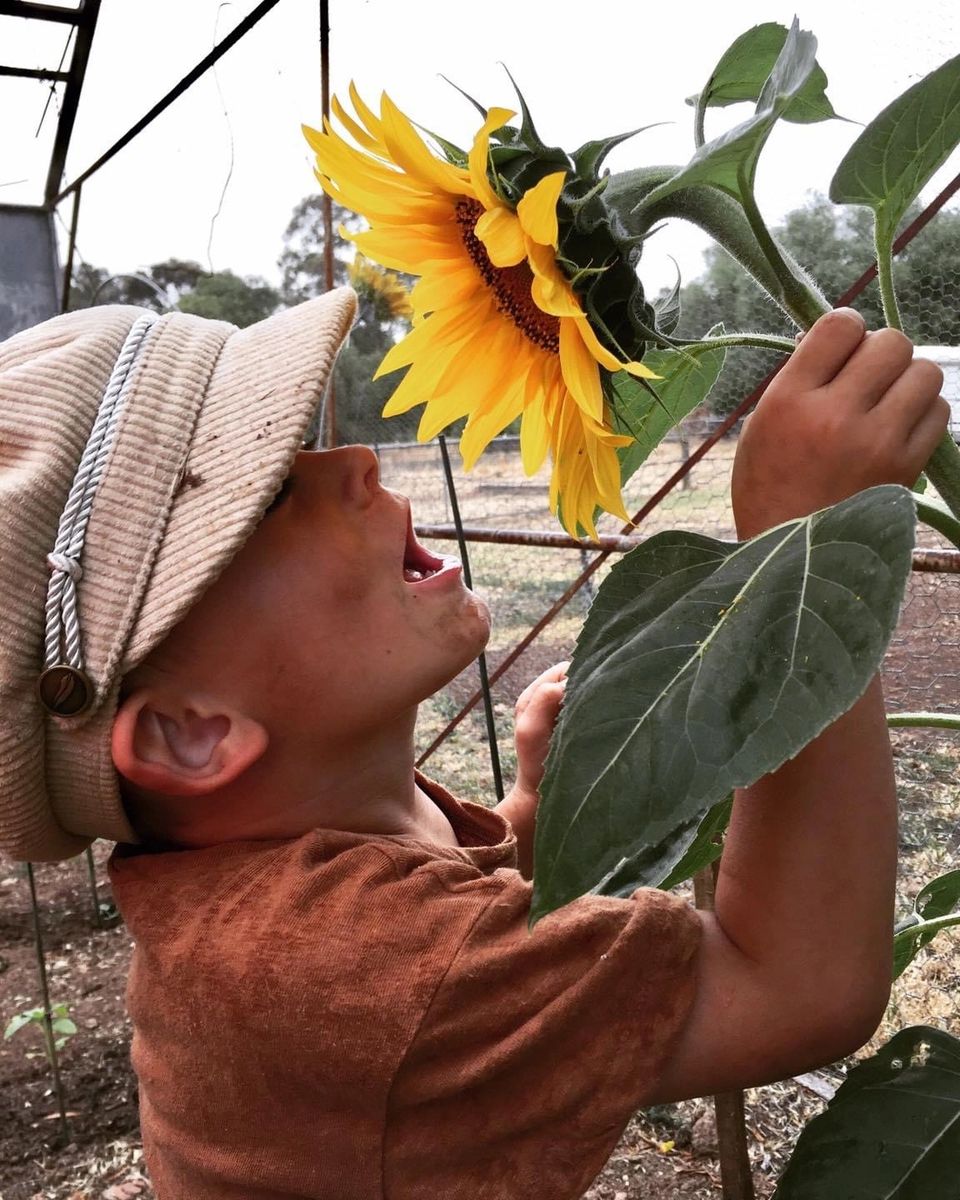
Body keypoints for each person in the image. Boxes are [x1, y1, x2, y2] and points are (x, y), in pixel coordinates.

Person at [0, 291, 947, 1200]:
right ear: (190, 734)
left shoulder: (291, 862)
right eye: (273, 497)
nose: (357, 463)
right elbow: (797, 984)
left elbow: (439, 889)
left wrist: (535, 810)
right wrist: (801, 554)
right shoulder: (351, 971)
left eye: (307, 445)